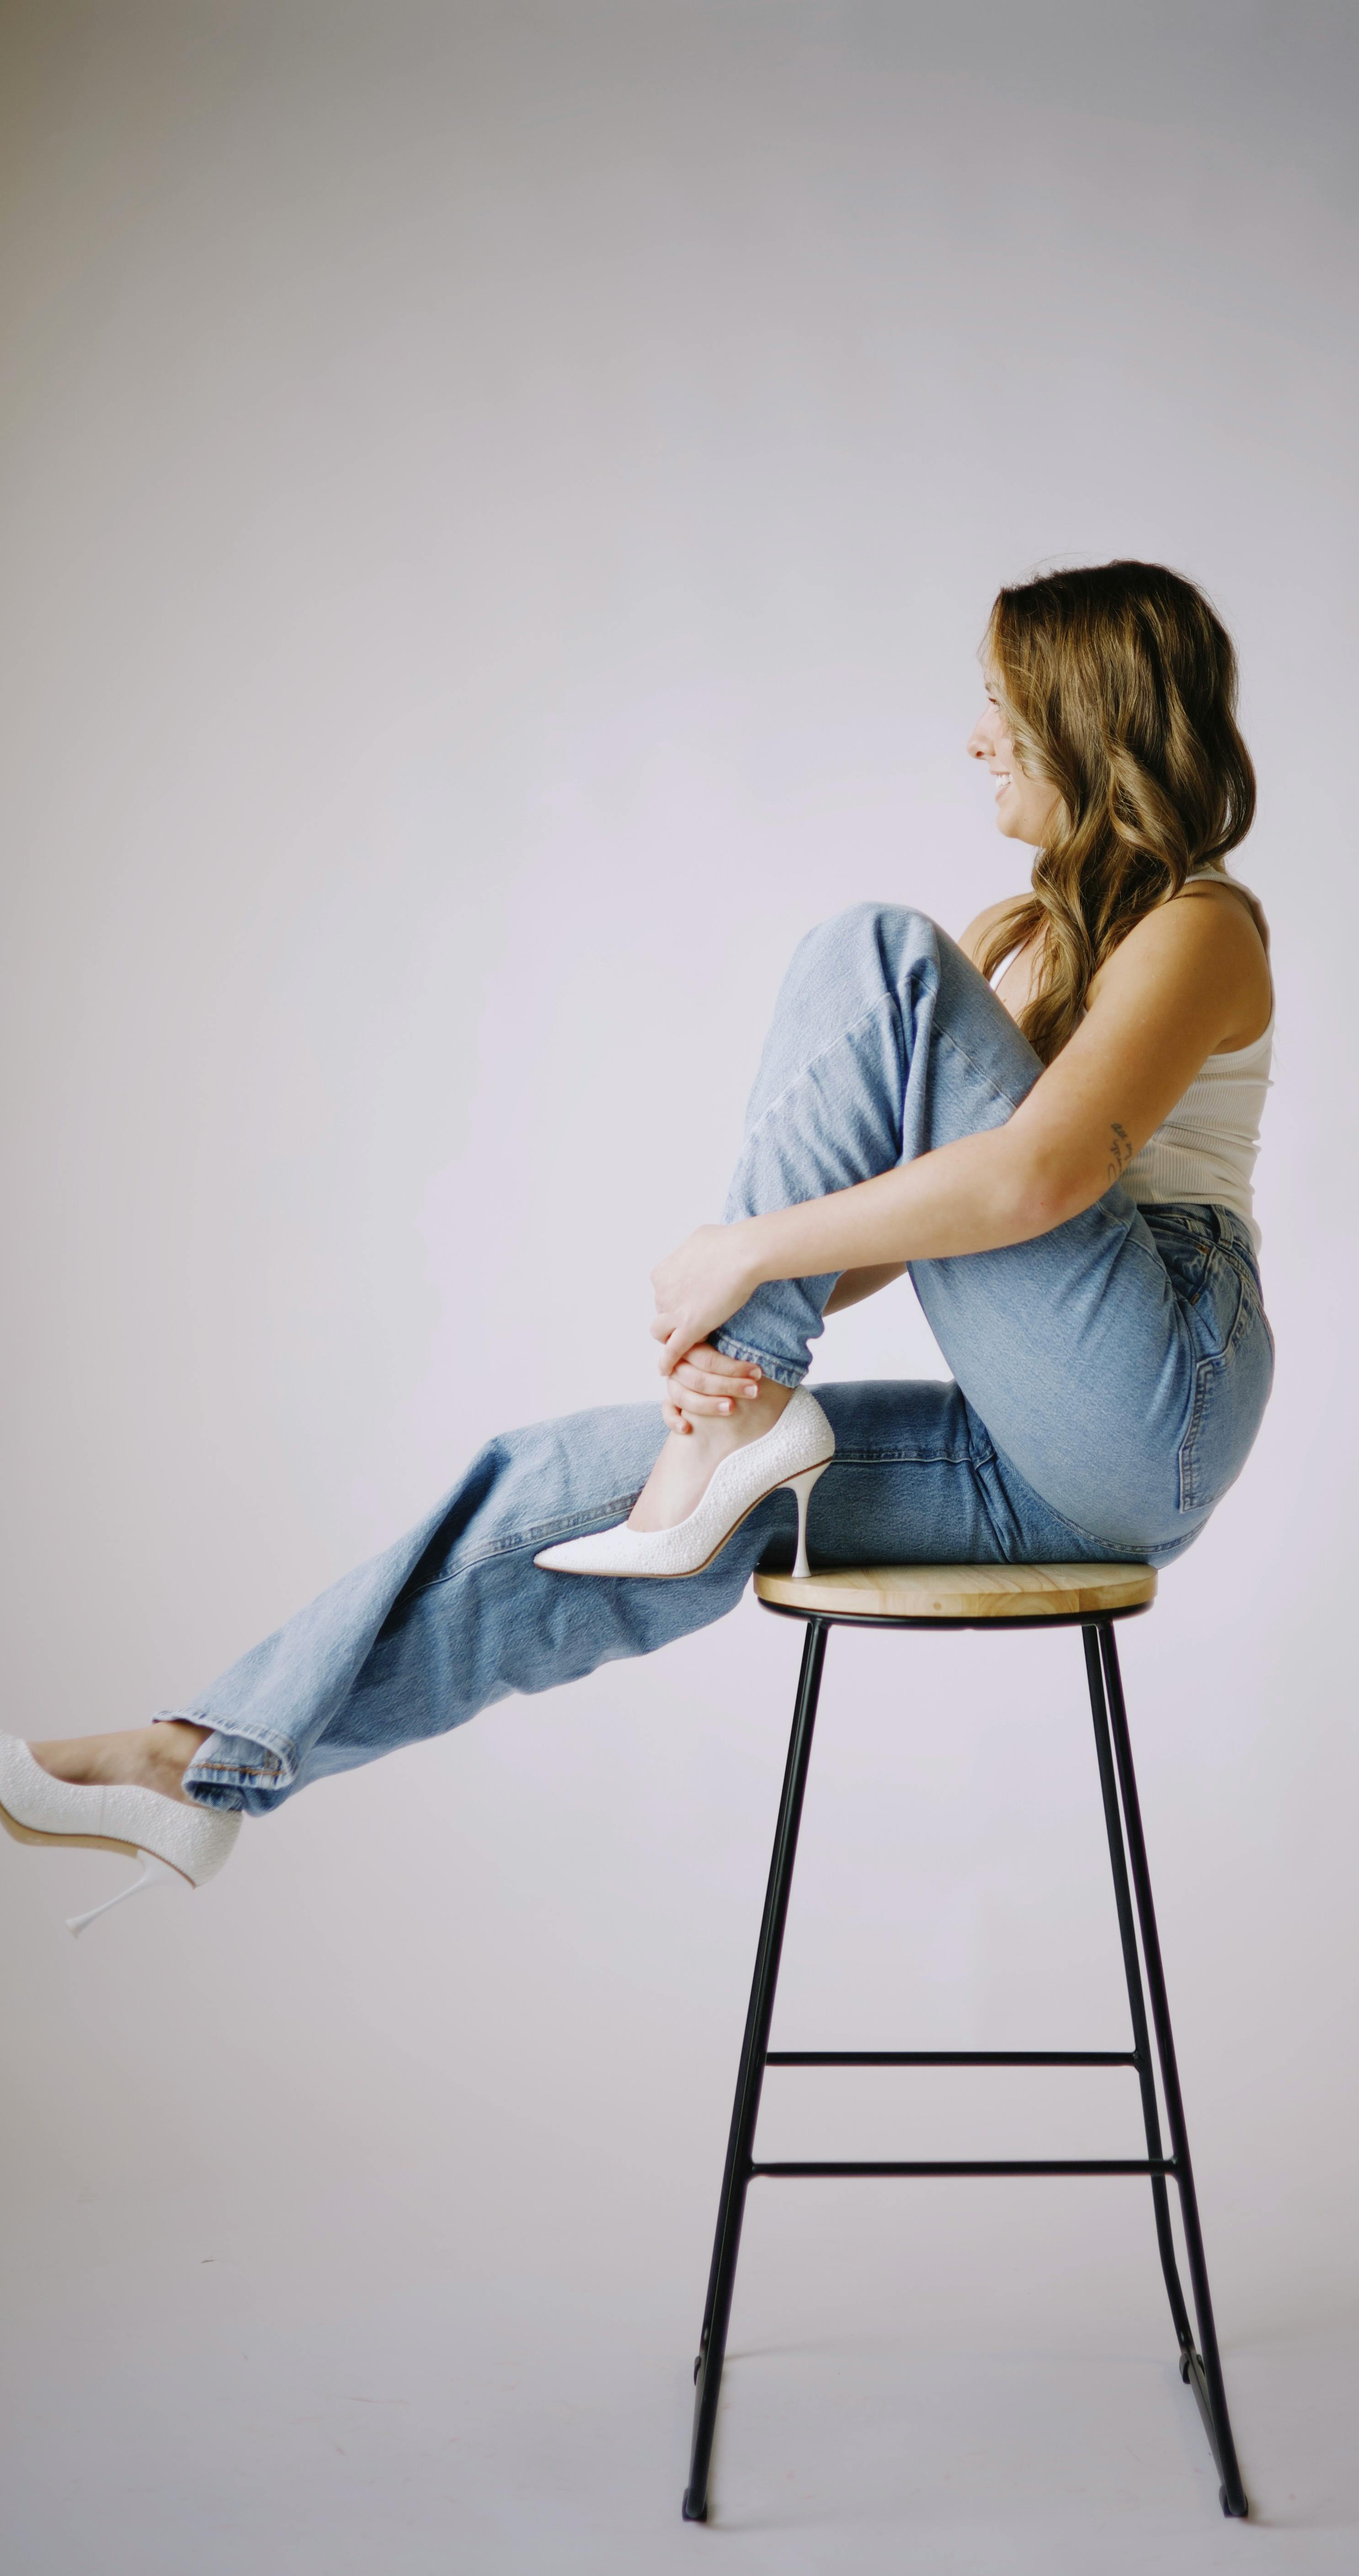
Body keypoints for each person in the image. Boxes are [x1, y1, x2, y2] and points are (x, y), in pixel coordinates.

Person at [0, 559, 1276, 1928]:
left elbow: (1039, 1180)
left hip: (1160, 1401)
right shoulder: (1014, 940)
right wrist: (725, 1354)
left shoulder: (1202, 925)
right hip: (1040, 1441)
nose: (974, 740)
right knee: (569, 1481)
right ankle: (206, 1766)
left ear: (1088, 717)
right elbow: (926, 1232)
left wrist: (744, 1260)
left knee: (871, 950)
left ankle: (732, 1428)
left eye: (999, 707)